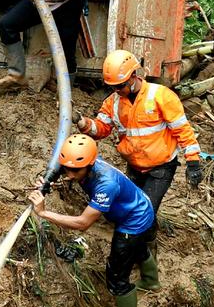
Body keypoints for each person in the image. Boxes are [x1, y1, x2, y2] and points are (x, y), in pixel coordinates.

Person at [28, 134, 158, 307]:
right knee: (138, 248)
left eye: (75, 170)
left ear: (89, 165)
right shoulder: (80, 164)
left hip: (135, 219)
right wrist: (47, 181)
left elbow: (83, 223)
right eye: (66, 168)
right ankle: (151, 282)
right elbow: (65, 168)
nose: (69, 174)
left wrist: (44, 213)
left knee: (117, 271)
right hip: (137, 205)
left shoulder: (106, 184)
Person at [75, 50, 203, 213]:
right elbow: (101, 129)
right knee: (131, 210)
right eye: (113, 87)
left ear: (134, 76)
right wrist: (82, 122)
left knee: (143, 210)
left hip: (160, 167)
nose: (117, 90)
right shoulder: (112, 103)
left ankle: (146, 235)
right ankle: (148, 233)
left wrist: (193, 162)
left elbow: (182, 129)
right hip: (135, 166)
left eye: (120, 86)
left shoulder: (161, 96)